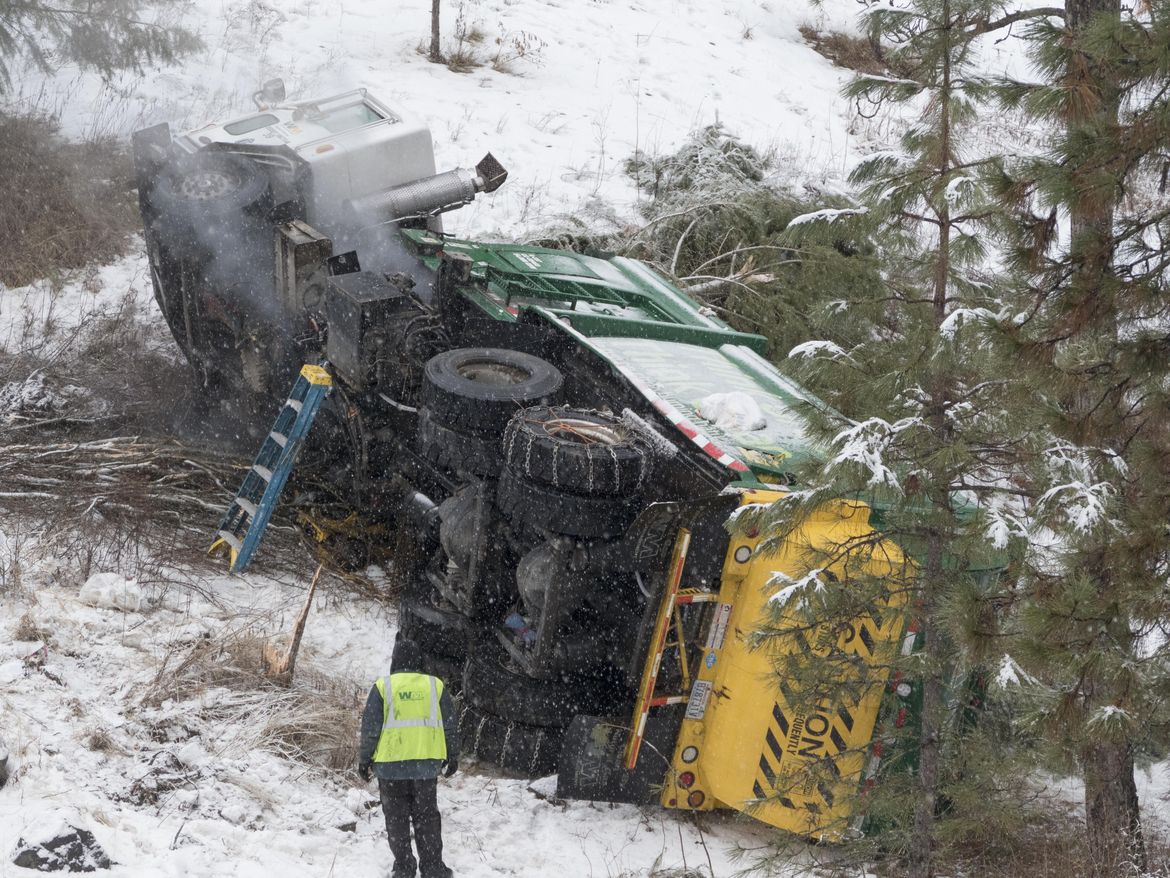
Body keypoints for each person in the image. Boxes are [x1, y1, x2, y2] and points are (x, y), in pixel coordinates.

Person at [358, 638, 459, 878]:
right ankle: (433, 868)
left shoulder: (383, 687)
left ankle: (404, 868)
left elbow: (370, 728)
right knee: (427, 817)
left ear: (395, 660)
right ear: (419, 661)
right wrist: (453, 755)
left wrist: (364, 759)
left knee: (396, 819)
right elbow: (450, 725)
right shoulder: (435, 686)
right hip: (426, 767)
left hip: (390, 768)